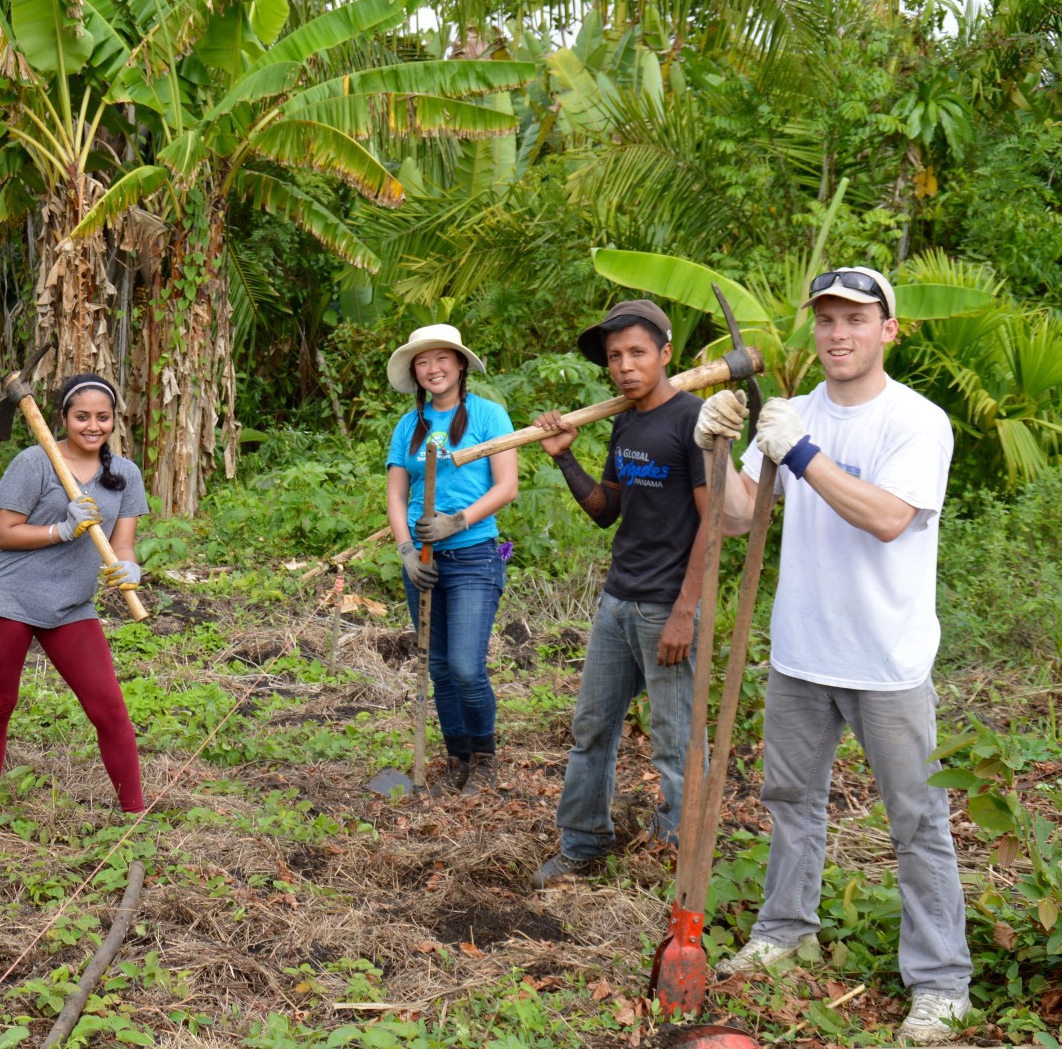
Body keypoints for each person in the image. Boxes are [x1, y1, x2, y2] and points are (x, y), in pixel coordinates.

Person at [697, 267, 971, 1044]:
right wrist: (714, 449)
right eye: (825, 320)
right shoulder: (793, 415)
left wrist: (804, 452)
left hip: (887, 661)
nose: (837, 333)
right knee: (791, 803)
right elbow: (739, 521)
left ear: (888, 329)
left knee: (916, 822)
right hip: (801, 653)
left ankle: (943, 982)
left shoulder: (918, 422)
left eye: (855, 319)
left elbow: (886, 518)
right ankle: (786, 930)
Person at [528, 300, 709, 888]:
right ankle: (583, 841)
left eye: (637, 353)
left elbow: (713, 527)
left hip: (666, 608)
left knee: (675, 743)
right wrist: (565, 460)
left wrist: (685, 612)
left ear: (665, 353)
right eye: (614, 357)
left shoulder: (695, 421)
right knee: (592, 729)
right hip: (617, 601)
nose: (625, 366)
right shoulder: (626, 422)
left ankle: (685, 859)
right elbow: (607, 511)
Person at [0, 373, 149, 815]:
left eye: (102, 417)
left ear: (113, 421)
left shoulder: (124, 474)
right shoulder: (36, 462)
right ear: (64, 418)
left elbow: (122, 543)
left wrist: (130, 567)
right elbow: (5, 534)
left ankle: (135, 811)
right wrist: (60, 530)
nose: (93, 426)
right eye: (81, 416)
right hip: (8, 599)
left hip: (71, 604)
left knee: (109, 709)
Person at [384, 324, 518, 795]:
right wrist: (405, 550)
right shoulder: (410, 425)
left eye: (442, 358)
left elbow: (506, 486)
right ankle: (456, 757)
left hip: (474, 557)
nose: (433, 368)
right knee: (437, 667)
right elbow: (397, 494)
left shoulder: (488, 415)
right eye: (422, 362)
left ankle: (484, 757)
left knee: (465, 666)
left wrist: (456, 521)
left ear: (461, 365)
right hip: (424, 560)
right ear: (414, 372)